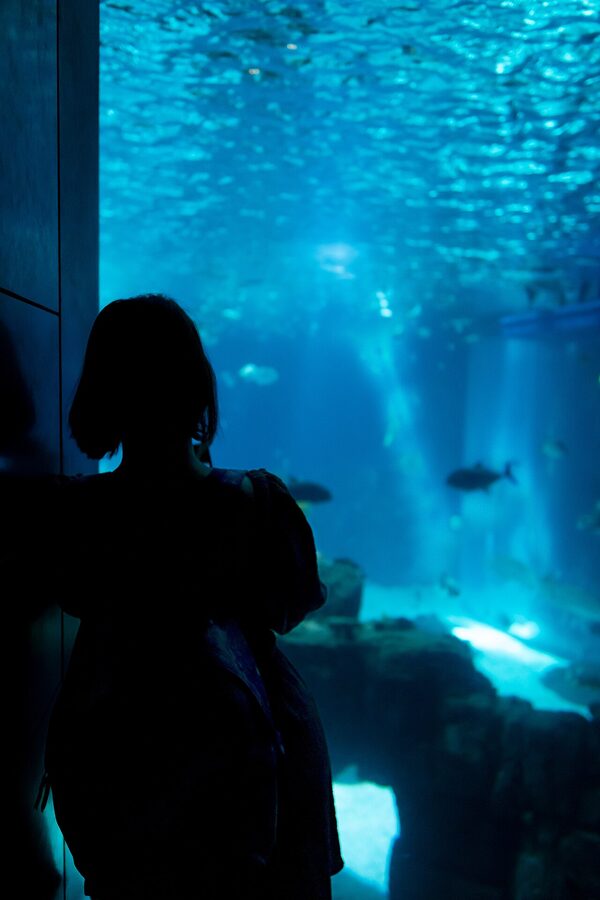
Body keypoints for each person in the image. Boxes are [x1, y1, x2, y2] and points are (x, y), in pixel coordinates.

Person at [41, 294, 343, 899]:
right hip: (260, 768)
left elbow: (71, 594)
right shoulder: (258, 502)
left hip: (119, 768)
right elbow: (294, 603)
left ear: (100, 392)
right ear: (199, 388)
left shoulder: (73, 513)